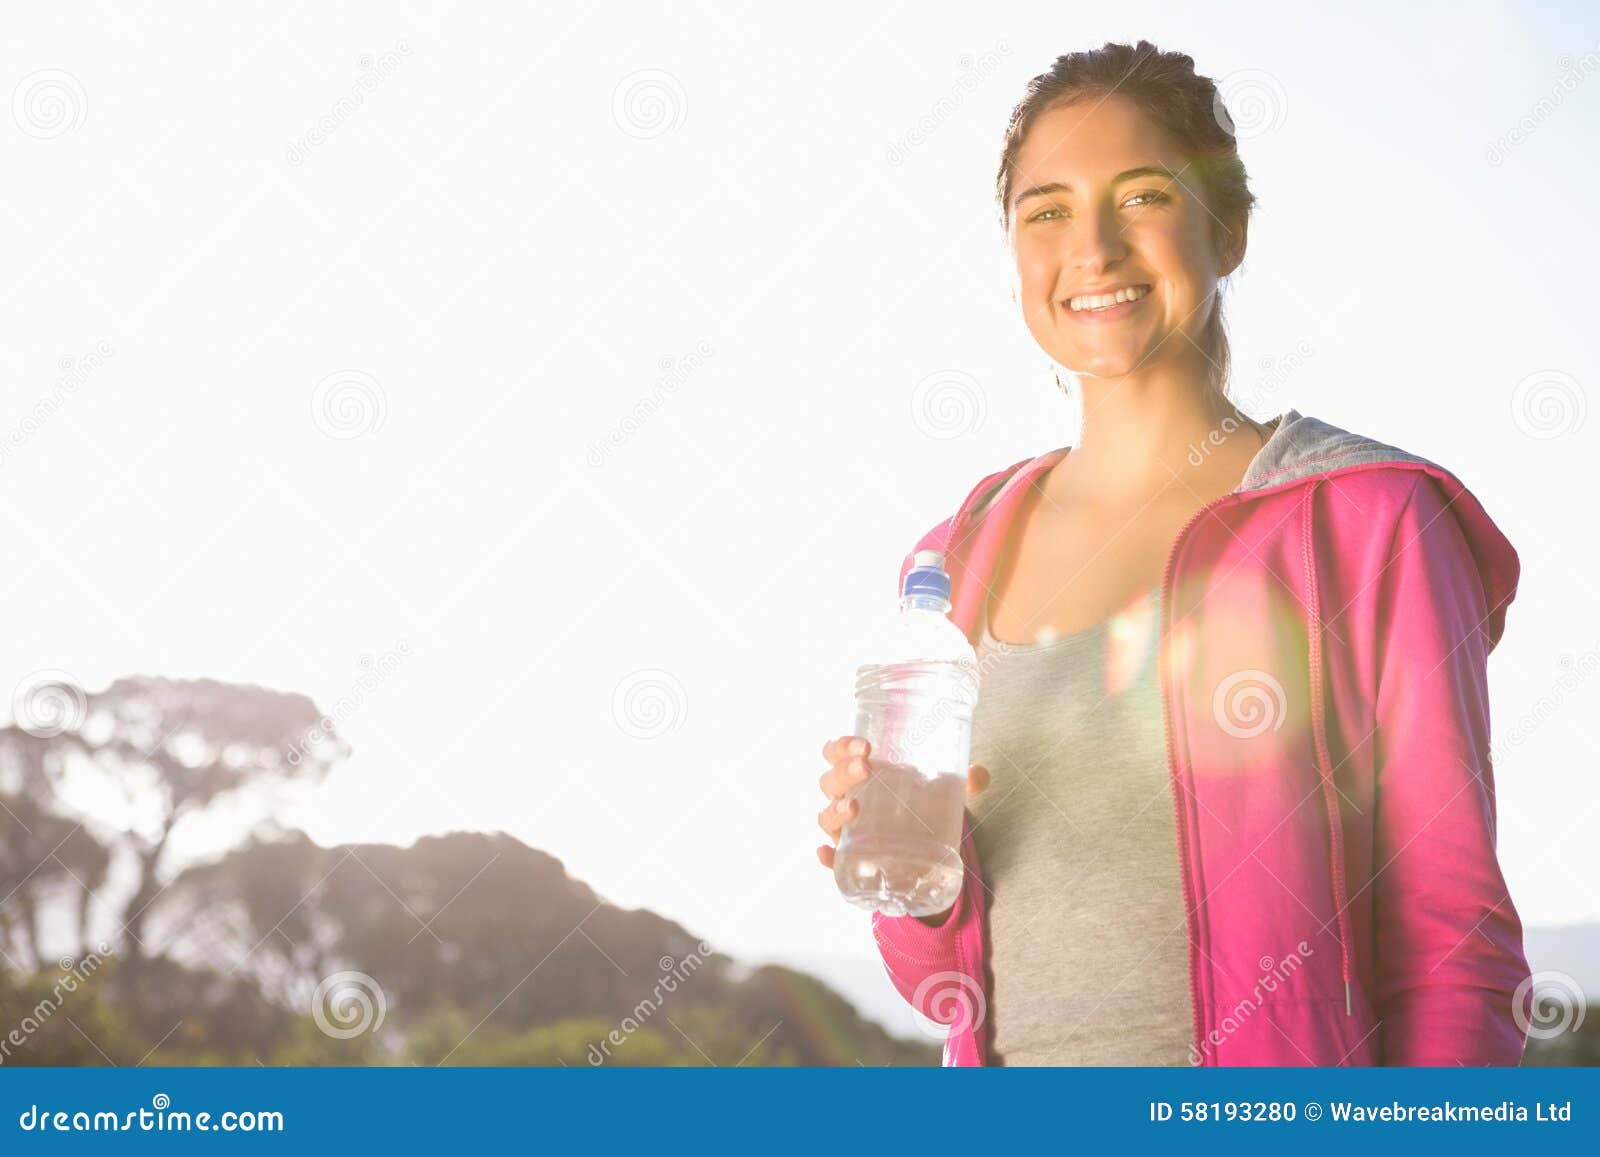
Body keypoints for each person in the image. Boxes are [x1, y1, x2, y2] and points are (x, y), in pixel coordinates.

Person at [814, 40, 1532, 1066]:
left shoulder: (1370, 519)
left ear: (1227, 226)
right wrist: (908, 866)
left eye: (1142, 194)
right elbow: (948, 984)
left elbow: (1450, 941)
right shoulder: (953, 558)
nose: (1092, 246)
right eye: (1046, 209)